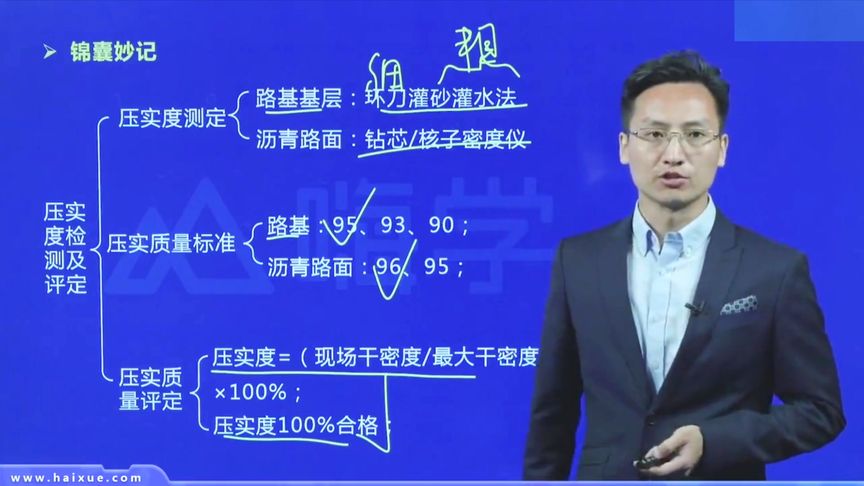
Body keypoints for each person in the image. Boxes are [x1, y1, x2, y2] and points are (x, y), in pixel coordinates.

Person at [522, 50, 845, 480]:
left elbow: (821, 411)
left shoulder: (775, 271)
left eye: (694, 134)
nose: (673, 154)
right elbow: (553, 413)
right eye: (654, 134)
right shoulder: (579, 261)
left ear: (722, 149)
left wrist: (715, 441)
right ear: (624, 147)